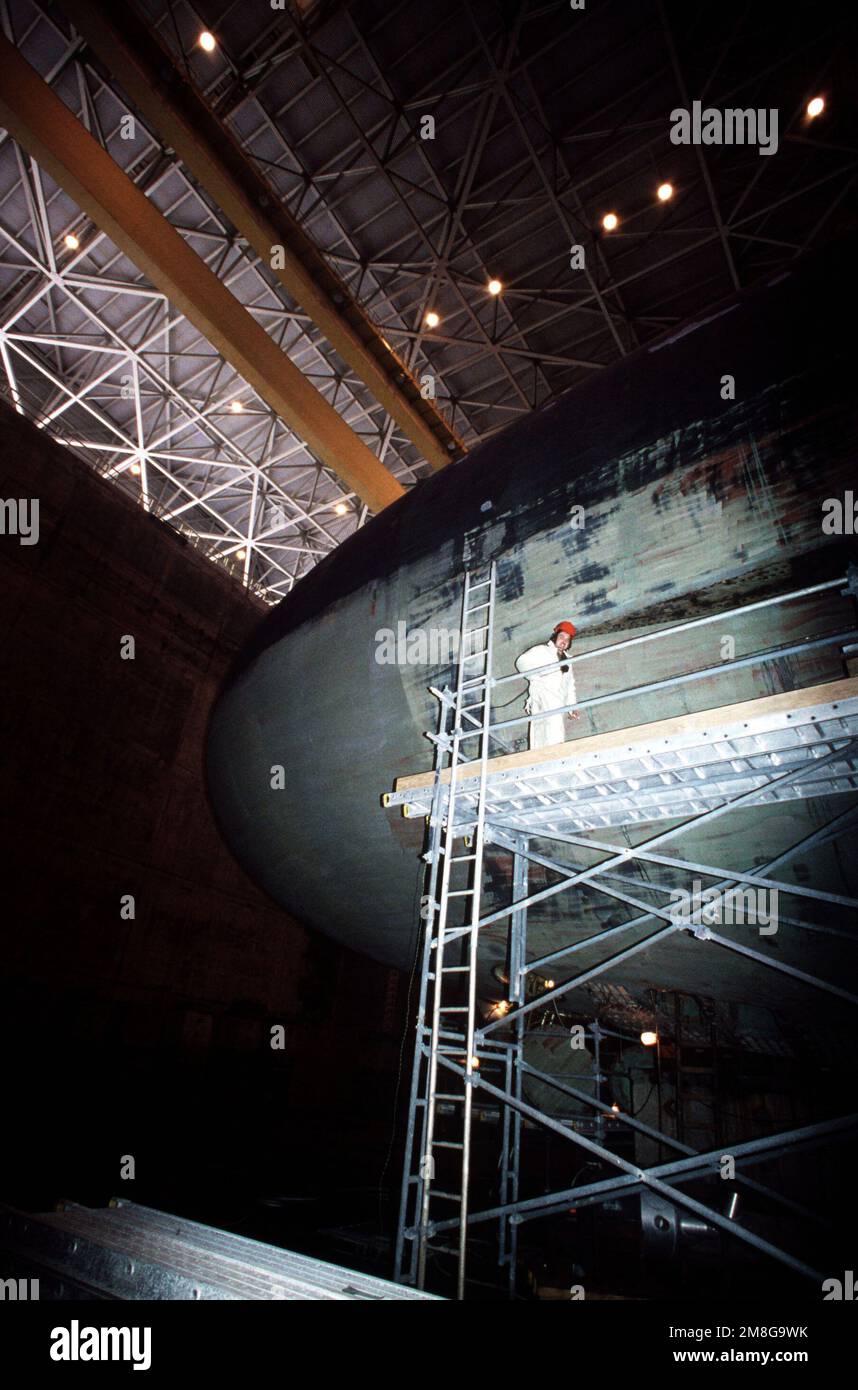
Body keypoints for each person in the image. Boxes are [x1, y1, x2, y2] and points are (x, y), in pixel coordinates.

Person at [515, 621, 580, 750]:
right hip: (542, 693)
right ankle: (550, 754)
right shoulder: (542, 650)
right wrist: (535, 677)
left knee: (552, 727)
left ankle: (546, 755)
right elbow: (521, 662)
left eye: (567, 639)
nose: (564, 641)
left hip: (557, 699)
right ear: (555, 637)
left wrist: (572, 707)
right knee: (546, 726)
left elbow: (570, 685)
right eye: (562, 636)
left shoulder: (568, 660)